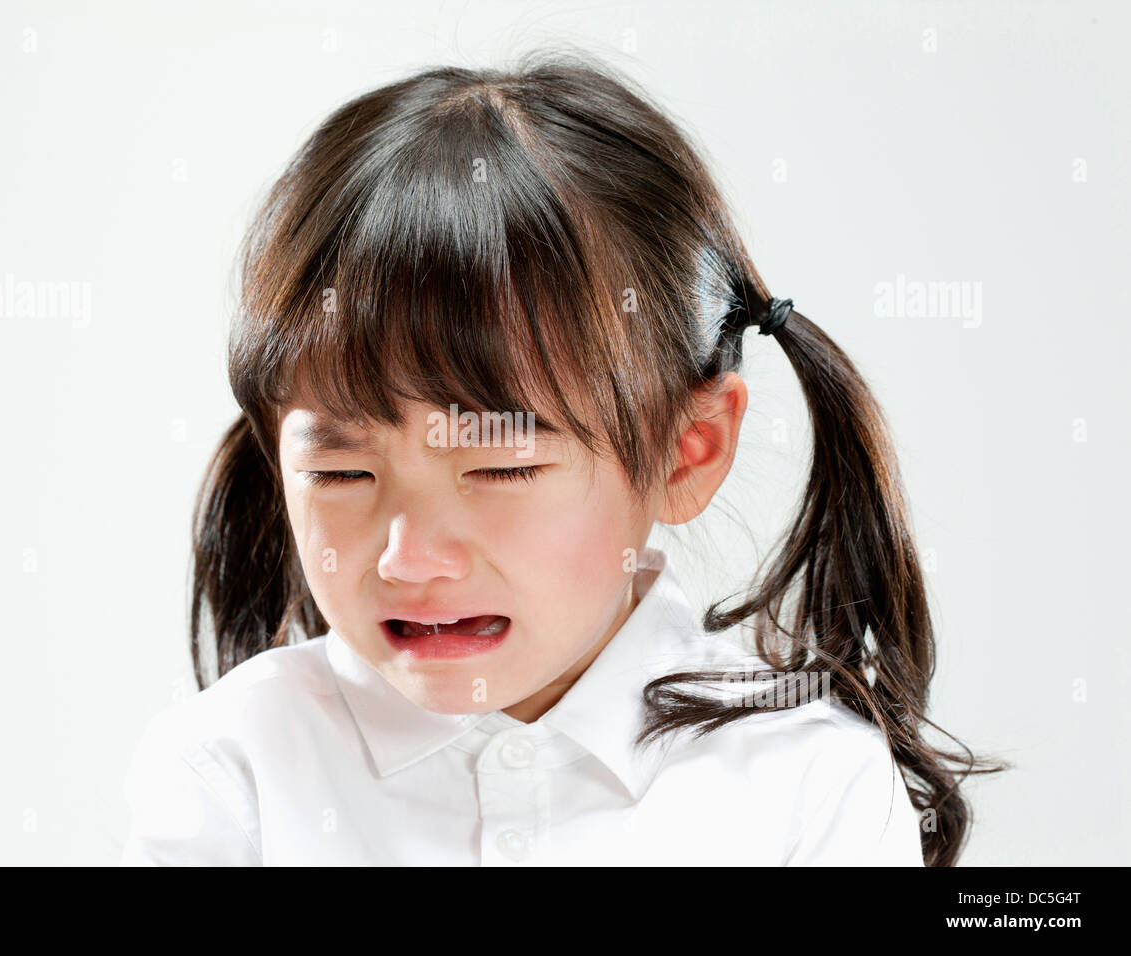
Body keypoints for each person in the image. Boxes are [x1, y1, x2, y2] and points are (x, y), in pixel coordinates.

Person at [120, 51, 1000, 866]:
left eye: (498, 469)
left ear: (686, 451)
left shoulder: (807, 782)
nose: (409, 557)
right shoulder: (235, 766)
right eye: (344, 474)